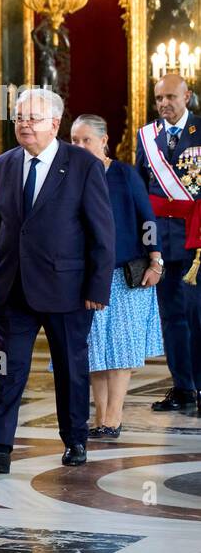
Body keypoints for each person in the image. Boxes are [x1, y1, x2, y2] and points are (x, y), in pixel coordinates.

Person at [0, 88, 114, 474]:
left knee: (70, 368)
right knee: (6, 369)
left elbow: (102, 232)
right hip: (12, 288)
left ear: (54, 123)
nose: (24, 125)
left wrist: (97, 288)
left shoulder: (83, 165)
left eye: (32, 118)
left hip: (67, 290)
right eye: (18, 118)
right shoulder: (5, 163)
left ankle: (75, 440)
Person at [70, 114, 164, 437]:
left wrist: (156, 262)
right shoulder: (70, 176)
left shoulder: (124, 175)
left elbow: (147, 219)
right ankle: (99, 418)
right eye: (75, 141)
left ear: (104, 139)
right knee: (94, 348)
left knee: (121, 349)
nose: (80, 146)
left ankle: (113, 417)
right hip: (85, 275)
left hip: (125, 277)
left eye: (86, 140)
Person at [136, 74, 201, 413]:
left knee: (198, 315)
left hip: (198, 241)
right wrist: (146, 245)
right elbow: (140, 193)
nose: (164, 104)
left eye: (171, 97)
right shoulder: (147, 137)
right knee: (172, 317)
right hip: (163, 242)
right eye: (159, 98)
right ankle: (184, 387)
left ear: (187, 96)